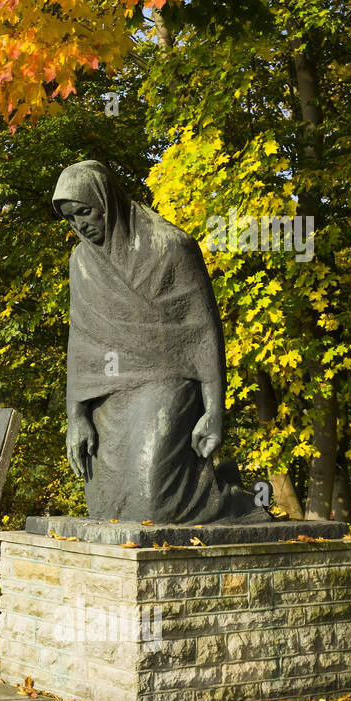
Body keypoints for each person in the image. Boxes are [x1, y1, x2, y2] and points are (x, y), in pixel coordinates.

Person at [53, 160, 266, 524]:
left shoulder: (171, 247)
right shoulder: (82, 262)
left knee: (152, 504)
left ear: (107, 200)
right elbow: (82, 341)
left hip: (169, 377)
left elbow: (203, 334)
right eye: (71, 218)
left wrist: (214, 413)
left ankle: (234, 500)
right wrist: (77, 417)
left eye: (85, 212)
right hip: (110, 388)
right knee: (108, 510)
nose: (80, 226)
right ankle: (213, 486)